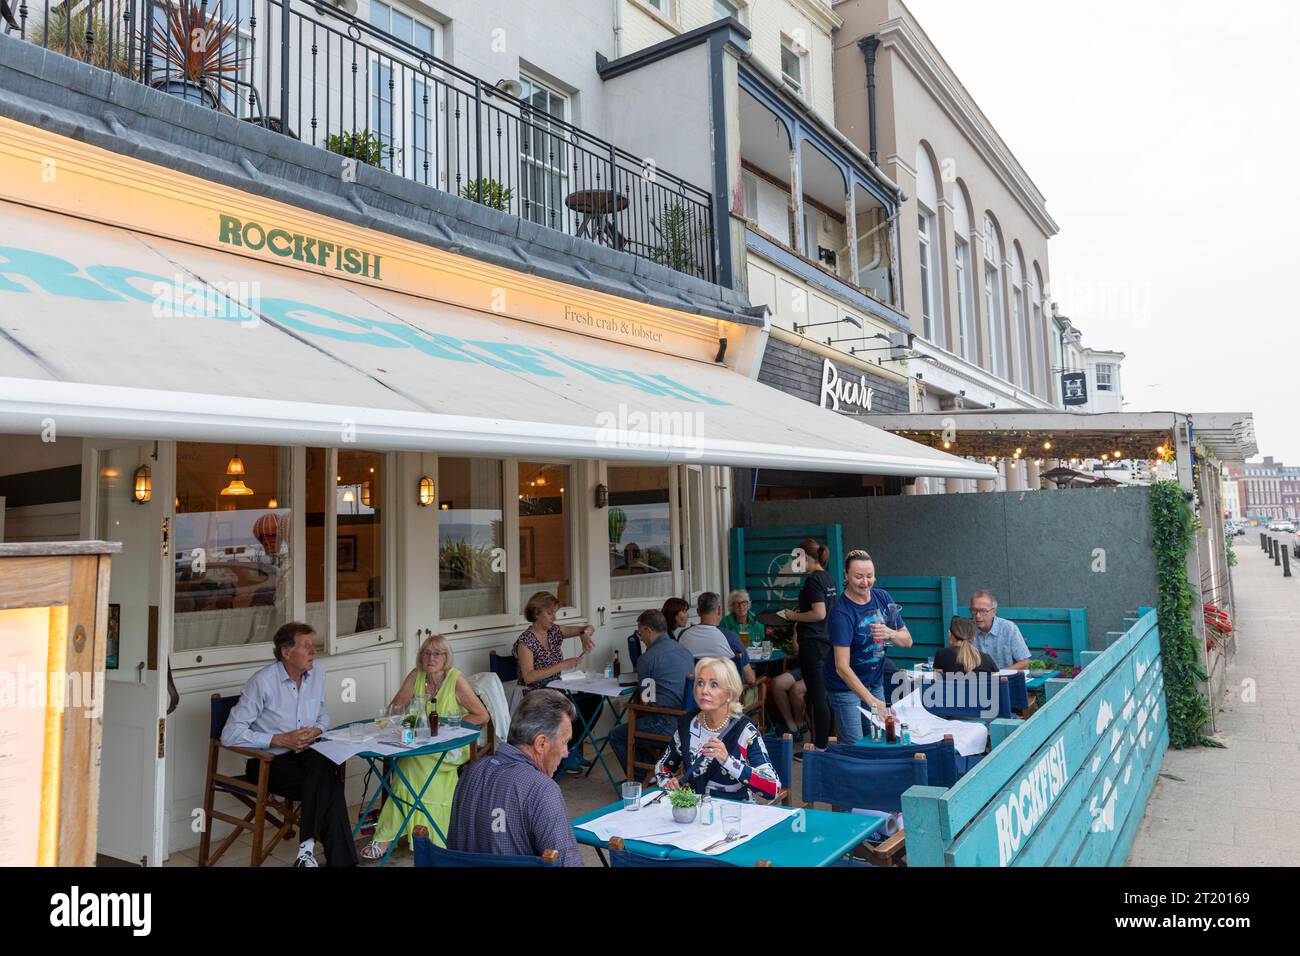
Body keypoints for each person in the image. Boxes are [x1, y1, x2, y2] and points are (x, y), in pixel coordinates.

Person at [221, 622, 356, 867]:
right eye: (306, 647)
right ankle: (337, 861)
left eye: (313, 646)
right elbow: (229, 734)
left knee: (323, 769)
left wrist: (317, 729)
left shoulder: (318, 674)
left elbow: (323, 715)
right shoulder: (262, 682)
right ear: (286, 652)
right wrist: (279, 739)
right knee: (330, 783)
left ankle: (306, 852)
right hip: (268, 763)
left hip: (306, 758)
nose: (313, 652)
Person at [361, 633, 489, 861]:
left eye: (437, 653)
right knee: (410, 761)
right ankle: (427, 837)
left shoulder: (455, 679)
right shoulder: (417, 675)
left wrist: (449, 724)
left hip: (451, 748)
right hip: (421, 742)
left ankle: (386, 837)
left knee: (409, 763)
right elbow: (395, 708)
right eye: (426, 653)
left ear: (446, 657)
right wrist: (404, 714)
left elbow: (482, 715)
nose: (431, 658)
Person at [447, 689, 584, 866]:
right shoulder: (542, 789)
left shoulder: (471, 772)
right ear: (541, 744)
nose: (566, 753)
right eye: (564, 742)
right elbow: (567, 863)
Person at [654, 658, 780, 802]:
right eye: (700, 683)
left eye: (714, 684)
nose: (704, 690)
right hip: (696, 813)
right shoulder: (687, 724)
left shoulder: (744, 730)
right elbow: (663, 768)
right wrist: (669, 784)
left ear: (730, 693)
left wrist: (727, 761)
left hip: (735, 815)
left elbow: (773, 788)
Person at [825, 550, 912, 745]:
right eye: (858, 576)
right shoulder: (841, 613)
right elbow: (842, 667)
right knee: (856, 745)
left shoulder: (882, 597)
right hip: (845, 687)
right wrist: (874, 702)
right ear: (846, 576)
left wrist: (890, 633)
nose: (865, 582)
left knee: (878, 738)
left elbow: (907, 641)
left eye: (869, 576)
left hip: (874, 682)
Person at [514, 590, 598, 775]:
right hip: (535, 693)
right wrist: (562, 664)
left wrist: (584, 635)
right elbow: (528, 676)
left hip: (557, 689)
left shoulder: (554, 631)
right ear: (537, 613)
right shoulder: (525, 641)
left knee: (594, 700)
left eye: (555, 613)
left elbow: (589, 627)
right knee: (570, 709)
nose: (554, 617)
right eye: (550, 613)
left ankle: (570, 749)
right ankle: (565, 755)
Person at [608, 609, 696, 776]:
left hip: (666, 723)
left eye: (640, 633)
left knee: (617, 734)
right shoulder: (684, 651)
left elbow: (646, 701)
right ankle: (656, 770)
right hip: (690, 721)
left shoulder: (647, 659)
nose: (640, 638)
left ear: (648, 631)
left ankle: (642, 778)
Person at [775, 538, 837, 750]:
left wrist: (794, 616)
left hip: (813, 644)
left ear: (806, 557)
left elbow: (819, 613)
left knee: (818, 696)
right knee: (823, 696)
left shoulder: (813, 581)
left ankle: (819, 747)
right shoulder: (828, 578)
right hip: (826, 643)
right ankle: (826, 742)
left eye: (797, 559)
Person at [678, 592, 755, 685]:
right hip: (725, 696)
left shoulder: (683, 635)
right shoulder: (730, 637)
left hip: (693, 695)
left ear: (698, 612)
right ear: (719, 611)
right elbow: (750, 679)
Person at [970, 590, 1031, 670]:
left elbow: (1025, 662)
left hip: (1005, 679)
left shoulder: (1008, 628)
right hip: (977, 680)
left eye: (983, 611)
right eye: (974, 610)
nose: (977, 615)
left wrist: (999, 674)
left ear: (994, 611)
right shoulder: (967, 629)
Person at [934, 616, 999, 674]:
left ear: (949, 635)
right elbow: (997, 682)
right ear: (973, 638)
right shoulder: (987, 659)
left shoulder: (941, 655)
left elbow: (937, 681)